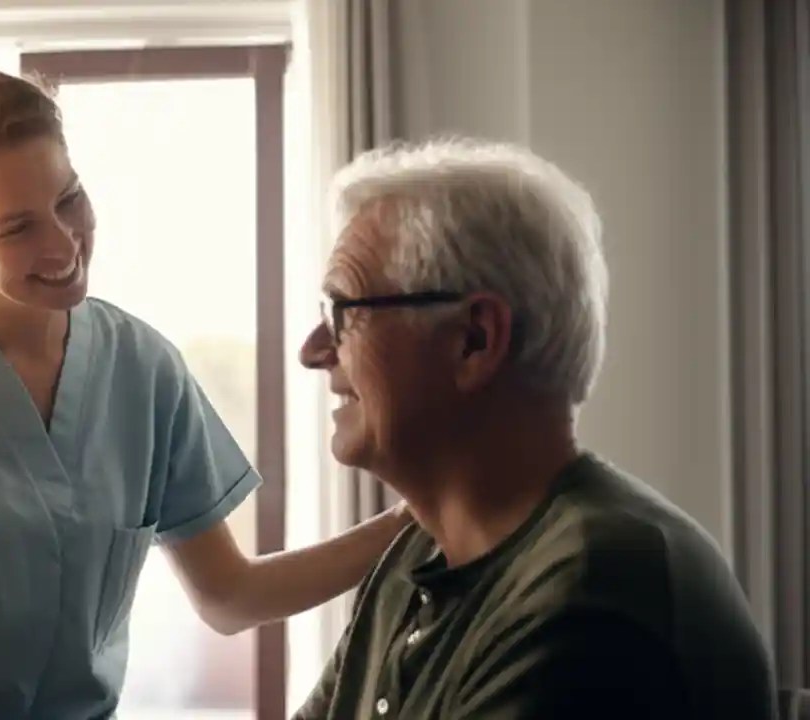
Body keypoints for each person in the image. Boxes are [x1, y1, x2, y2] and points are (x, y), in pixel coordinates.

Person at [0, 52, 411, 720]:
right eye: (17, 228)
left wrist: (413, 519)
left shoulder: (145, 369)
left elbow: (231, 596)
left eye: (69, 200)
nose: (63, 245)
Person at [293, 138, 776, 719]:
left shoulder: (594, 589)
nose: (313, 350)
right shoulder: (414, 560)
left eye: (343, 312)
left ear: (475, 340)